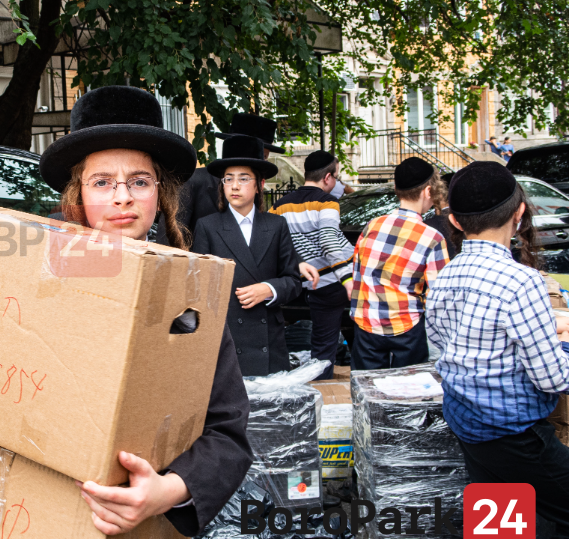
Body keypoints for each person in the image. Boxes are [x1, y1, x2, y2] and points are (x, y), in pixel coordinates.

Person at [0, 86, 254, 538]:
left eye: (139, 181)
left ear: (160, 195)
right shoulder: (21, 286)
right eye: (102, 182)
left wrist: (168, 491)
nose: (122, 197)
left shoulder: (188, 306)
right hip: (16, 527)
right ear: (78, 194)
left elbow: (228, 433)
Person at [427, 161, 569, 539]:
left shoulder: (444, 278)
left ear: (453, 220)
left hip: (471, 426)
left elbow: (442, 351)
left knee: (501, 534)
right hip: (518, 434)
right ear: (520, 212)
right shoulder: (520, 281)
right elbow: (552, 378)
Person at [191, 133, 313, 376]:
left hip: (269, 339)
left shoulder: (277, 225)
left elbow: (292, 281)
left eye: (244, 178)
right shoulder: (207, 226)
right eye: (228, 179)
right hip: (226, 337)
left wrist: (269, 289)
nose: (234, 186)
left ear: (260, 185)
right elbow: (198, 285)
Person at [349, 157, 449, 369]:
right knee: (409, 394)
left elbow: (357, 272)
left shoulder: (372, 225)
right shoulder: (432, 238)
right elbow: (439, 295)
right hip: (407, 325)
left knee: (368, 391)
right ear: (428, 191)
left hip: (366, 322)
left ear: (396, 188)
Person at [269, 150, 355, 379]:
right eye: (336, 177)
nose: (336, 182)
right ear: (327, 178)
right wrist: (346, 278)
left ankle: (319, 387)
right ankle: (330, 391)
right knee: (330, 346)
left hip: (305, 283)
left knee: (319, 344)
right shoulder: (327, 203)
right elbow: (328, 240)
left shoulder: (279, 206)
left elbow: (274, 243)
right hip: (334, 281)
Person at [173, 113, 286, 245]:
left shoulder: (252, 193)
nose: (262, 163)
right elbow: (169, 241)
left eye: (265, 158)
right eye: (262, 157)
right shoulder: (191, 182)